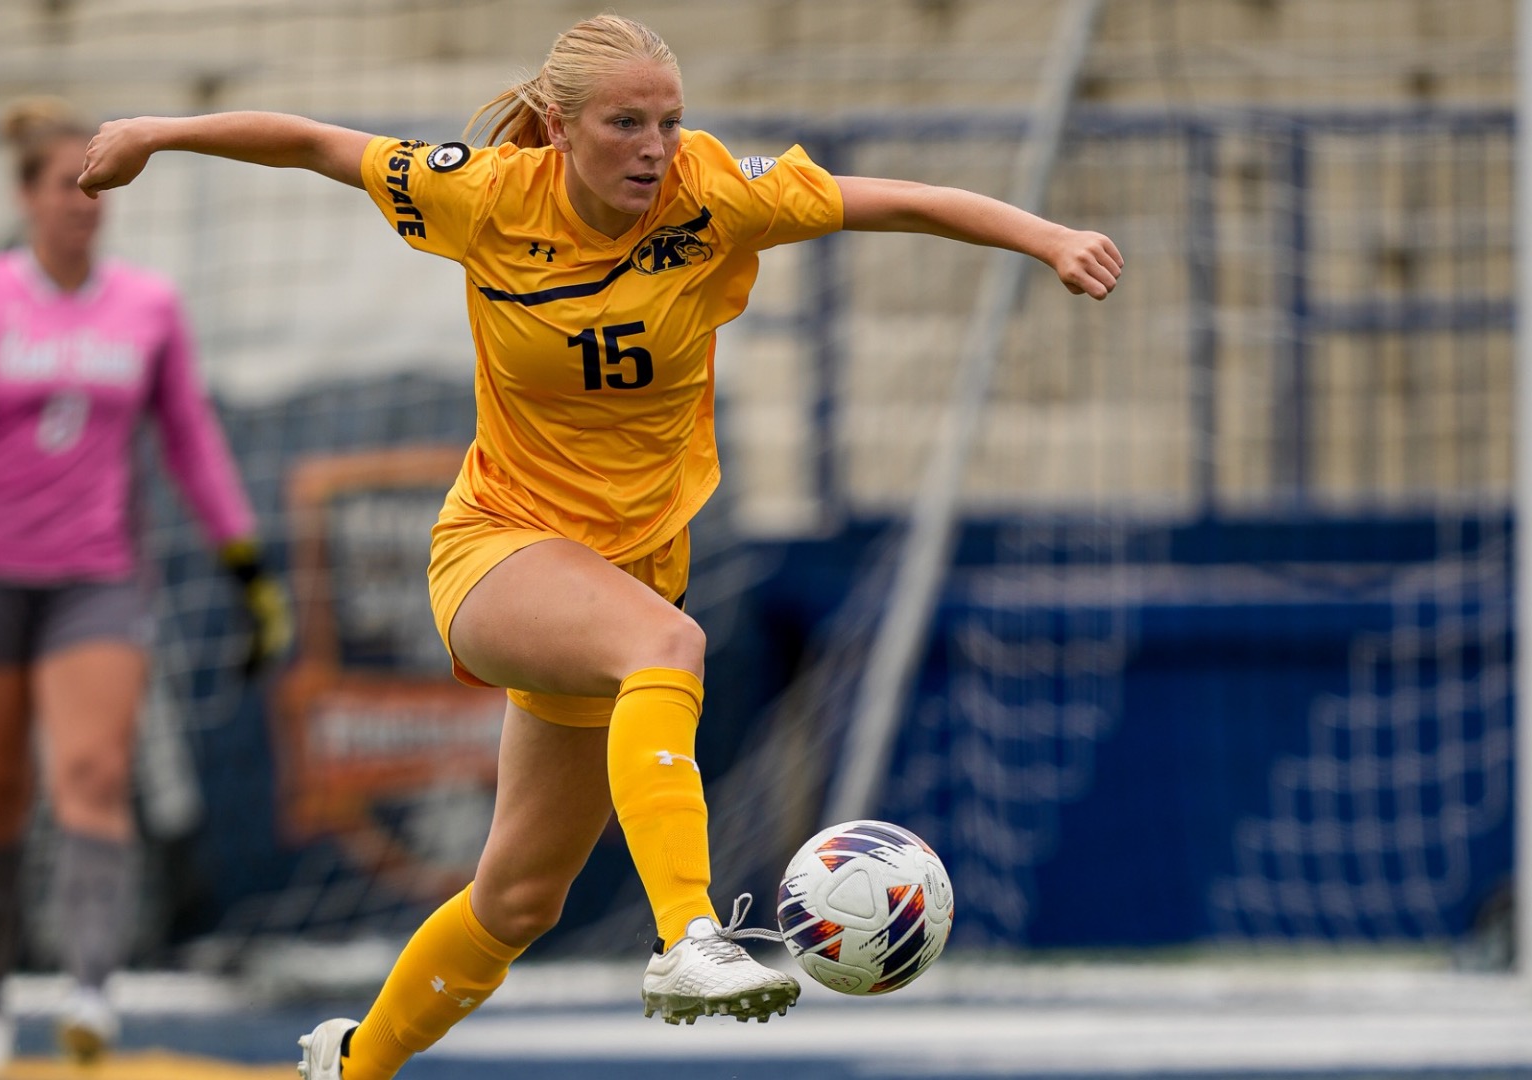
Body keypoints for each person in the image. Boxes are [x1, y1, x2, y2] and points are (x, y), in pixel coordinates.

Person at [79, 14, 1121, 1080]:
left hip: (619, 579)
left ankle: (349, 1066)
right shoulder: (483, 195)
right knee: (668, 648)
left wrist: (1043, 236)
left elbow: (893, 200)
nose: (655, 146)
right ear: (559, 128)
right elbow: (312, 143)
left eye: (669, 121)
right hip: (498, 551)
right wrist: (155, 133)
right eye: (626, 122)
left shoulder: (712, 195)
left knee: (520, 897)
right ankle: (689, 940)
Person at [0, 96, 293, 1073]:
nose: (87, 202)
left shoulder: (148, 307)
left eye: (99, 185)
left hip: (97, 582)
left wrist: (245, 564)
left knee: (95, 777)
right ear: (25, 195)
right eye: (67, 185)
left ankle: (89, 992)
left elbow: (191, 443)